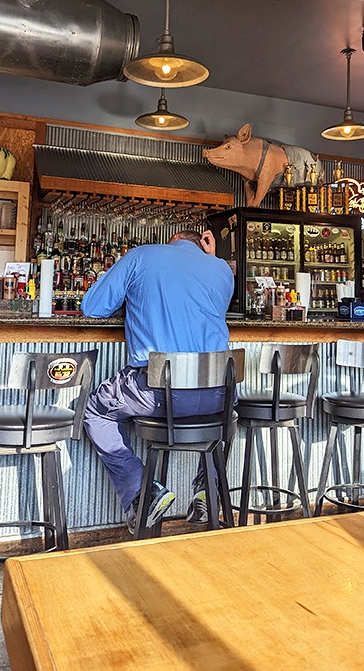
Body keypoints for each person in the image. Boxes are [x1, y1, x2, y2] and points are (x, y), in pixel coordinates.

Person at [81, 228, 234, 533]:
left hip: (159, 393)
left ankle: (143, 492)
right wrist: (212, 257)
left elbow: (92, 308)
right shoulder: (221, 268)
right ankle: (207, 489)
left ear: (171, 240)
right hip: (219, 392)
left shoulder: (142, 255)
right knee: (229, 413)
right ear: (199, 244)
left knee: (96, 411)